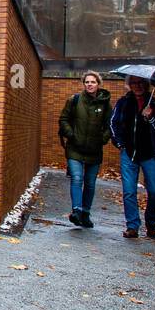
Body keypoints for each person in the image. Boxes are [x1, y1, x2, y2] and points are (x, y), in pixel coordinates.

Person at [110, 74, 155, 239]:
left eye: (141, 82)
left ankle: (151, 223)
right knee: (129, 191)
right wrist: (120, 144)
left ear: (146, 84)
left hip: (150, 154)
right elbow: (113, 123)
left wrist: (151, 118)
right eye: (134, 83)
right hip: (129, 153)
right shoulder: (123, 103)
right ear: (129, 85)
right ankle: (132, 226)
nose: (137, 86)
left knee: (154, 191)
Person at [58, 71, 112, 229]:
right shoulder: (74, 100)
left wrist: (103, 139)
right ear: (84, 84)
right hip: (75, 147)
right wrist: (71, 134)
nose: (89, 84)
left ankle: (86, 214)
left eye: (93, 82)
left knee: (90, 183)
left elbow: (111, 125)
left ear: (98, 84)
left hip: (94, 150)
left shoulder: (105, 104)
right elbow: (63, 119)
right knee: (76, 178)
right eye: (87, 82)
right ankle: (76, 211)